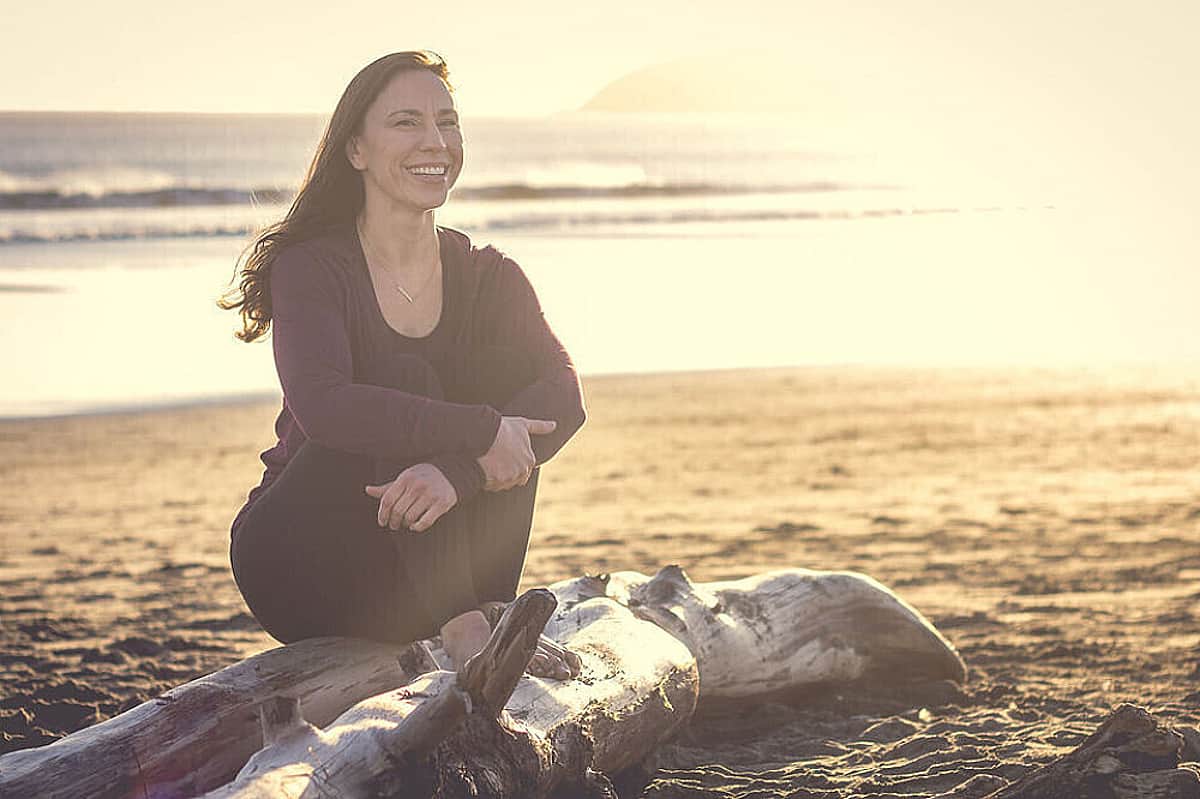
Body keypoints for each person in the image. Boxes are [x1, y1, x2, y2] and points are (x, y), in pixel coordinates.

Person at [218, 51, 586, 679]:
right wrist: (481, 433)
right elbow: (325, 406)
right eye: (407, 122)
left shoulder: (490, 276)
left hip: (428, 579)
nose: (435, 141)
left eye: (448, 122)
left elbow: (564, 398)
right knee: (408, 379)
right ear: (356, 149)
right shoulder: (312, 268)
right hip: (306, 560)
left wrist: (459, 473)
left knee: (511, 381)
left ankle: (479, 611)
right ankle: (466, 629)